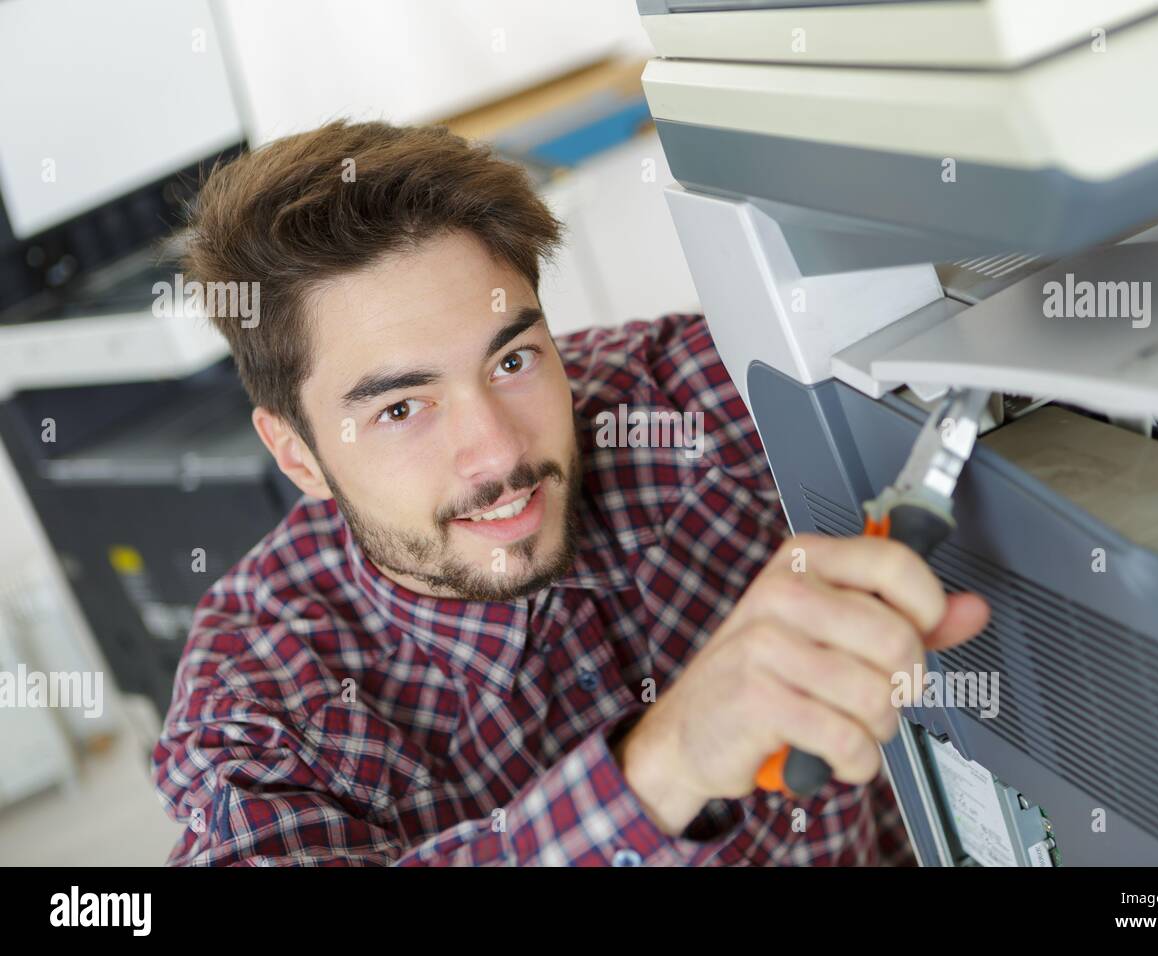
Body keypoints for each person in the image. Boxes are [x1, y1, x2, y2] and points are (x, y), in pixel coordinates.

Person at [151, 120, 989, 865]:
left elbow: (958, 314)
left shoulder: (668, 406)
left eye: (512, 360)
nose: (498, 451)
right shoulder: (260, 711)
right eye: (401, 408)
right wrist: (665, 764)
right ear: (297, 454)